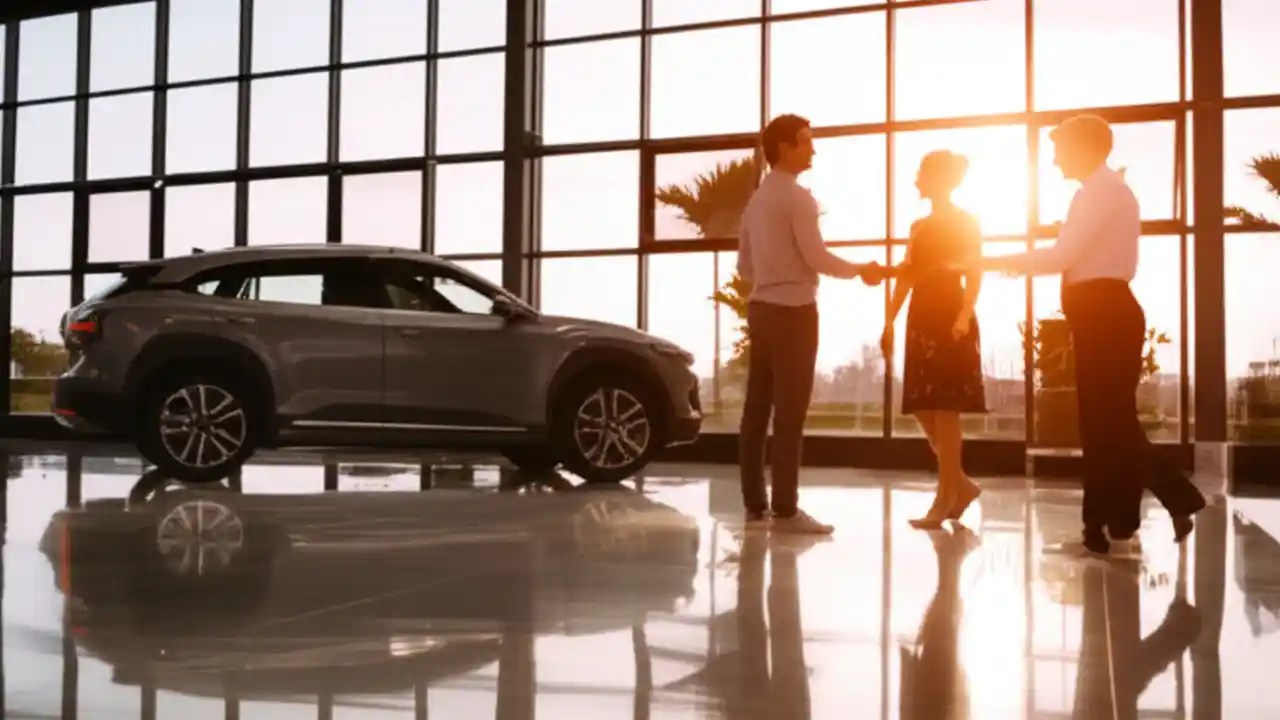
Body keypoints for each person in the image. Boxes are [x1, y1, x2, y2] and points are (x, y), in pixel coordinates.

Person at [981, 114, 1205, 558]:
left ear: (1084, 147)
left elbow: (1064, 254)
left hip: (1105, 314)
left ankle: (1135, 515)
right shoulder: (1103, 191)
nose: (1055, 159)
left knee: (1108, 425)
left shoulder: (1099, 192)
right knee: (1108, 424)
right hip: (1102, 314)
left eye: (1060, 147)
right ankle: (1115, 525)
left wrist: (998, 260)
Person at [737, 113, 883, 534]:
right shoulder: (798, 199)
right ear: (784, 147)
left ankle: (754, 505)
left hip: (760, 310)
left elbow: (745, 266)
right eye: (805, 141)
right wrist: (859, 269)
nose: (813, 149)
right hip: (794, 312)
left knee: (755, 411)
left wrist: (773, 269)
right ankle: (786, 510)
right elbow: (817, 258)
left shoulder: (756, 202)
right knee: (789, 414)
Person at [883, 150, 986, 529]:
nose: (915, 180)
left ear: (940, 178)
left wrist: (963, 314)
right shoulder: (917, 226)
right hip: (921, 317)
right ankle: (961, 484)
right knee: (924, 407)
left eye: (921, 173)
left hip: (950, 313)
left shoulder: (966, 222)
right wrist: (889, 321)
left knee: (945, 411)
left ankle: (944, 499)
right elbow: (907, 276)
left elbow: (975, 272)